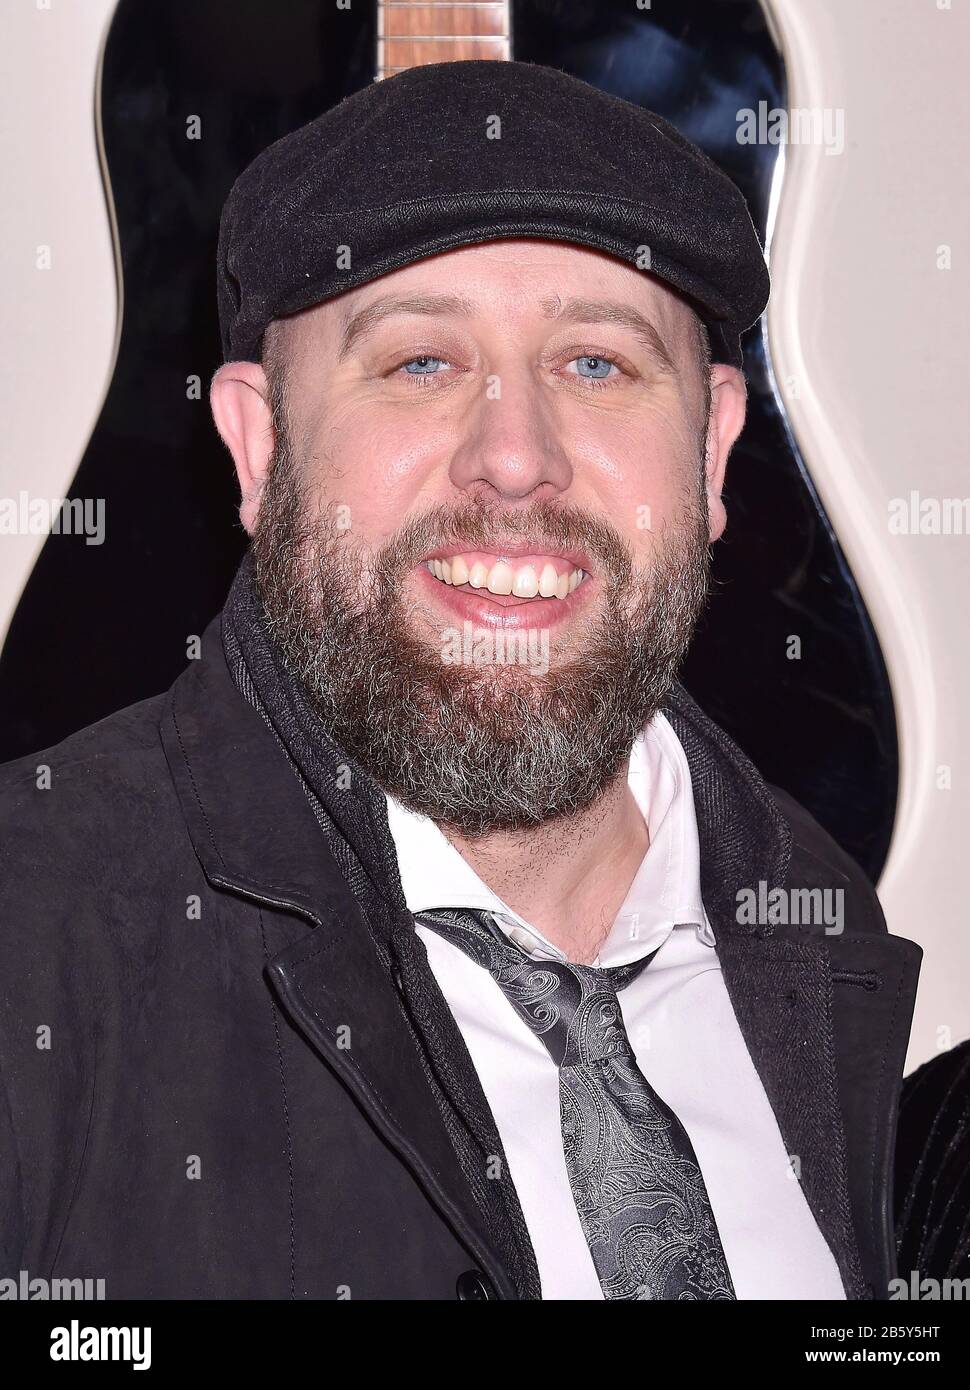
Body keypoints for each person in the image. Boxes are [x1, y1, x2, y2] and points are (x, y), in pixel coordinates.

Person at [0, 60, 921, 1301]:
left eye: (596, 363)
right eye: (421, 363)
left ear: (709, 449)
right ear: (261, 448)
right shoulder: (34, 940)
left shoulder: (812, 916)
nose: (515, 458)